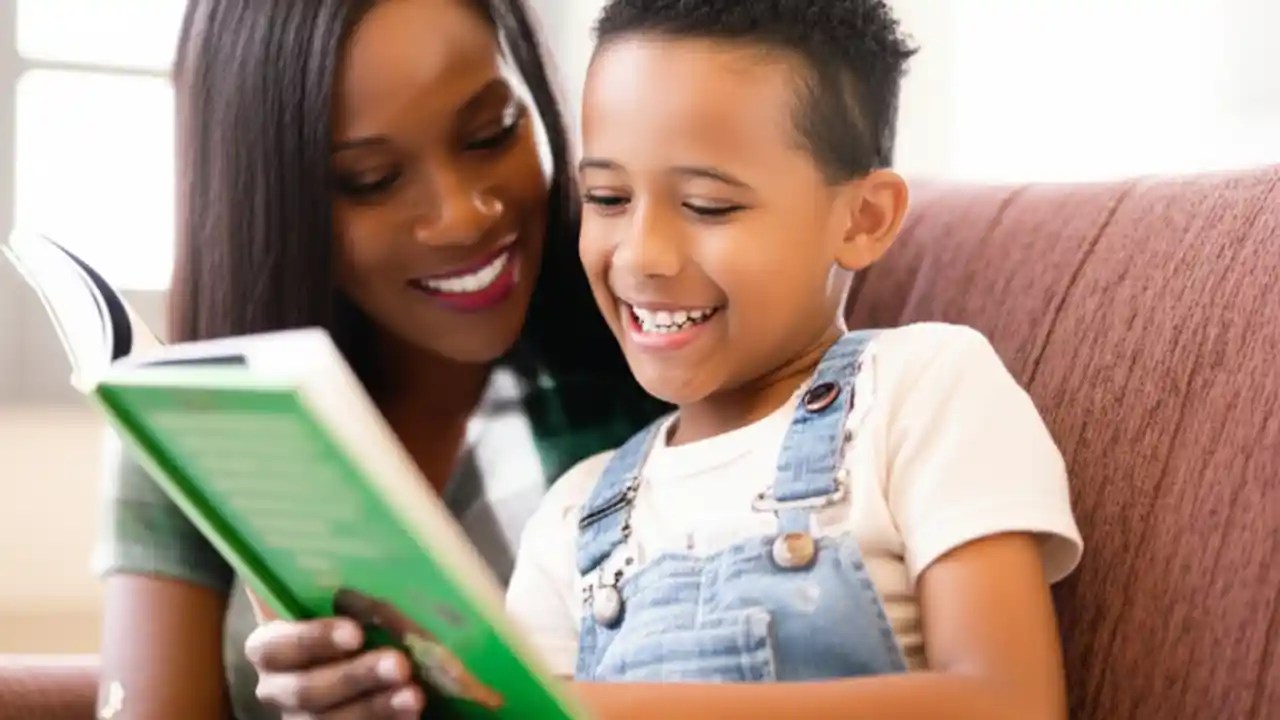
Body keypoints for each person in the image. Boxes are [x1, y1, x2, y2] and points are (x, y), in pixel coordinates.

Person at [504, 1, 1085, 718]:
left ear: (862, 218)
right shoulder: (570, 519)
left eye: (708, 205)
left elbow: (1009, 704)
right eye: (608, 197)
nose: (642, 255)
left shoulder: (919, 389)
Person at [92, 1, 664, 718]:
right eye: (370, 179)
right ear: (272, 199)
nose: (462, 215)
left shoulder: (660, 374)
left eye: (491, 133)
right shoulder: (193, 419)